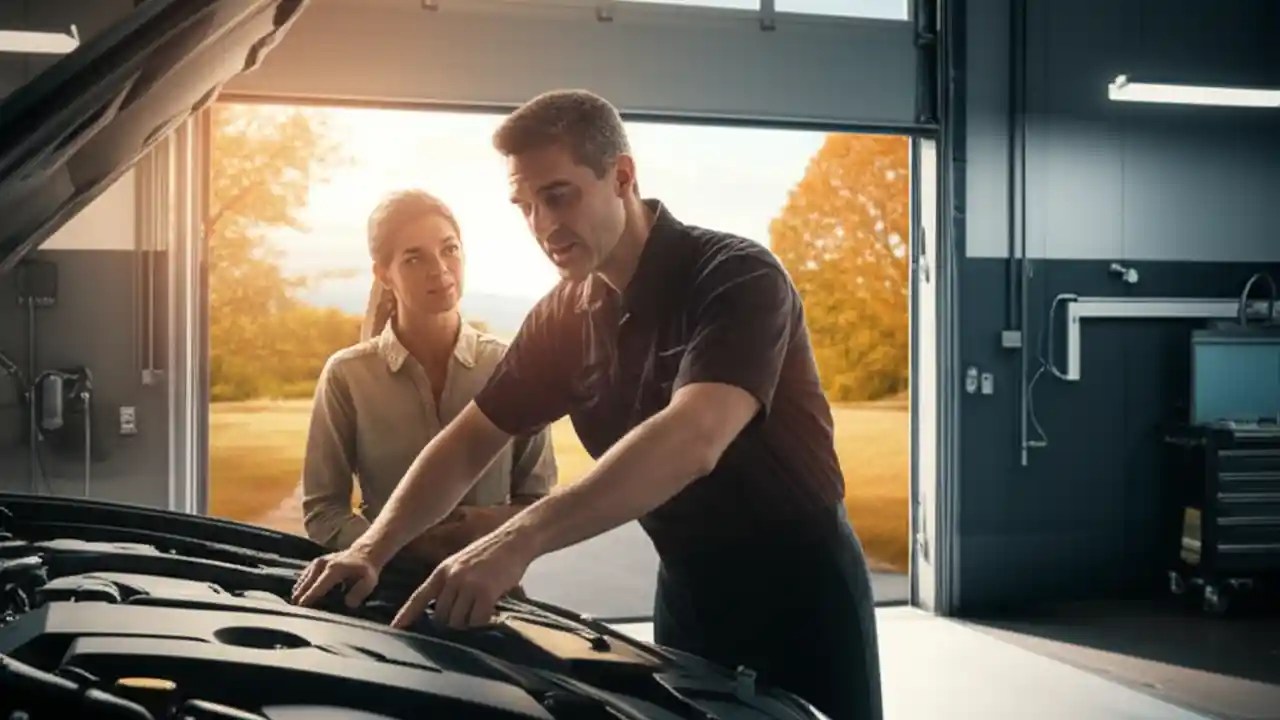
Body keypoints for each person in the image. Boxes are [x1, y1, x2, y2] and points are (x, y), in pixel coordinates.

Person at [292, 91, 883, 720]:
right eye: (525, 207)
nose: (543, 226)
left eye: (558, 196)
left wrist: (517, 538)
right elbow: (470, 442)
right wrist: (371, 548)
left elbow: (695, 437)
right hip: (687, 590)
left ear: (622, 177)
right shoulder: (563, 316)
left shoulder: (737, 276)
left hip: (802, 589)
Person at [299, 188, 557, 571]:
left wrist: (484, 528)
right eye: (414, 257)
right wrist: (392, 547)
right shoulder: (348, 376)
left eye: (449, 249)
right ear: (383, 273)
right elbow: (323, 510)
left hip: (490, 592)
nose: (439, 269)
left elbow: (538, 503)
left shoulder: (511, 365)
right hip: (383, 594)